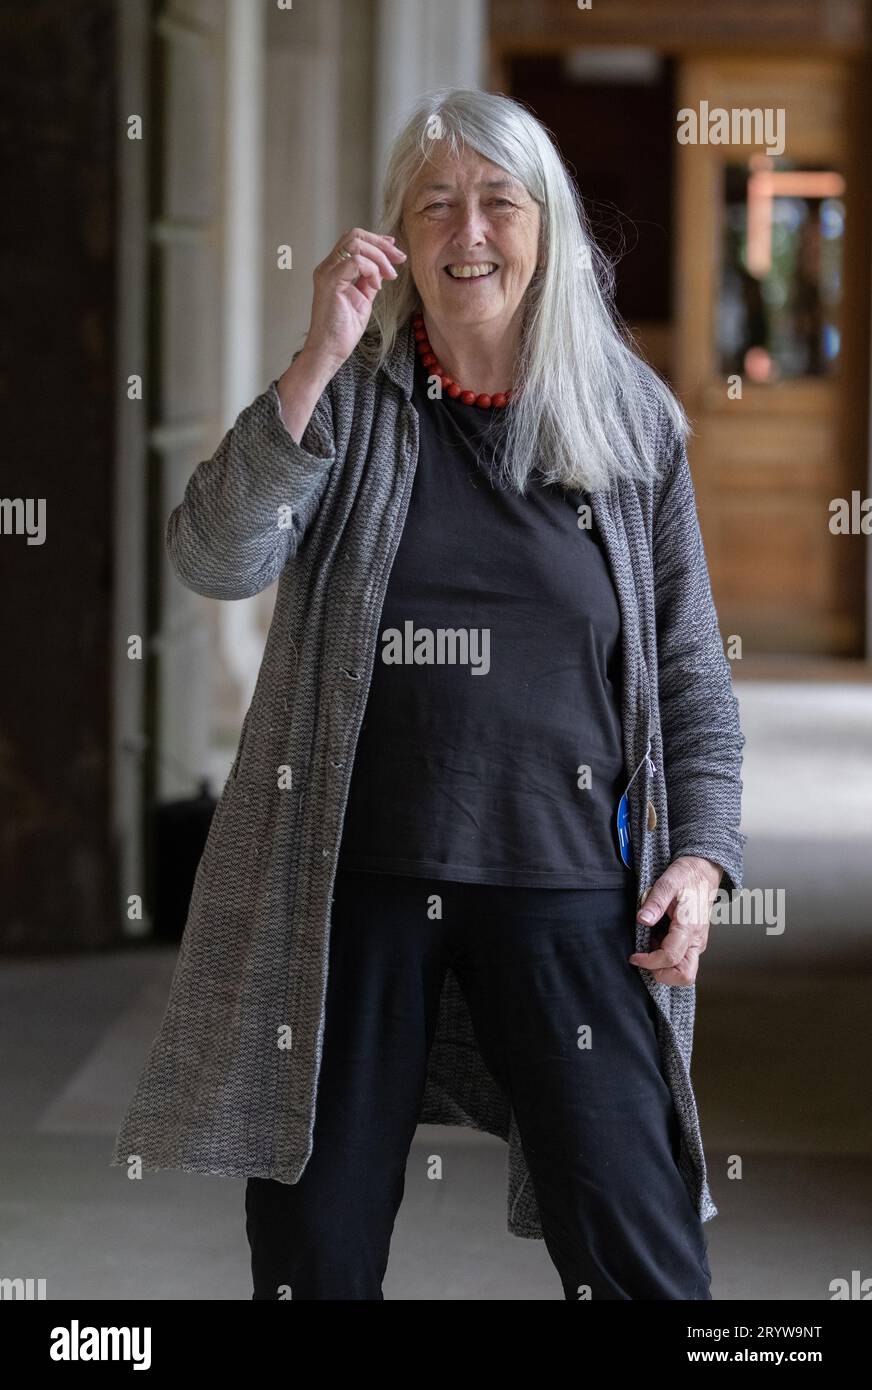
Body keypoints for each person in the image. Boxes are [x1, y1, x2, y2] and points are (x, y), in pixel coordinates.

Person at [111, 88, 746, 1301]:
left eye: (498, 201)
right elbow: (212, 557)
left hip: (564, 883)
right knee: (315, 1254)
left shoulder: (626, 420)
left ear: (543, 228)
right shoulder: (349, 402)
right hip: (354, 885)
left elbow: (688, 670)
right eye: (436, 201)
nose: (471, 229)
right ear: (398, 233)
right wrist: (314, 357)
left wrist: (704, 856)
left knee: (642, 1250)